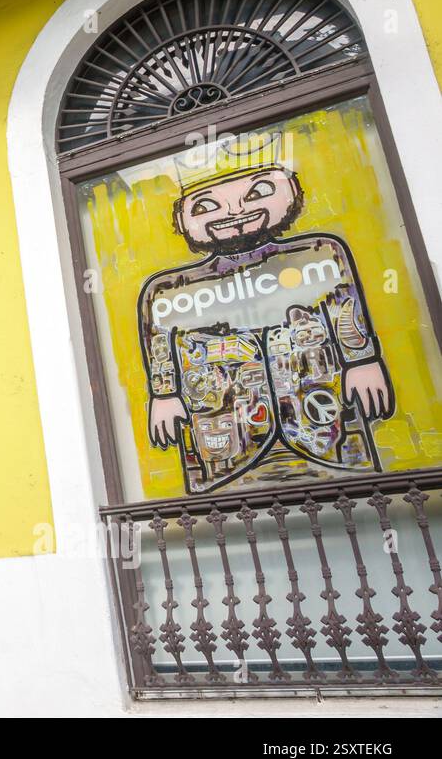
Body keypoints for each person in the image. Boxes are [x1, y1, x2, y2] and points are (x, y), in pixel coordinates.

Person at [137, 131, 393, 494]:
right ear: (181, 219)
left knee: (349, 492)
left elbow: (345, 307)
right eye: (207, 205)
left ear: (291, 191)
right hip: (226, 442)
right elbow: (159, 341)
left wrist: (362, 360)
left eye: (257, 192)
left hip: (323, 426)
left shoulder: (320, 252)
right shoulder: (168, 288)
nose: (235, 211)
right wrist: (163, 395)